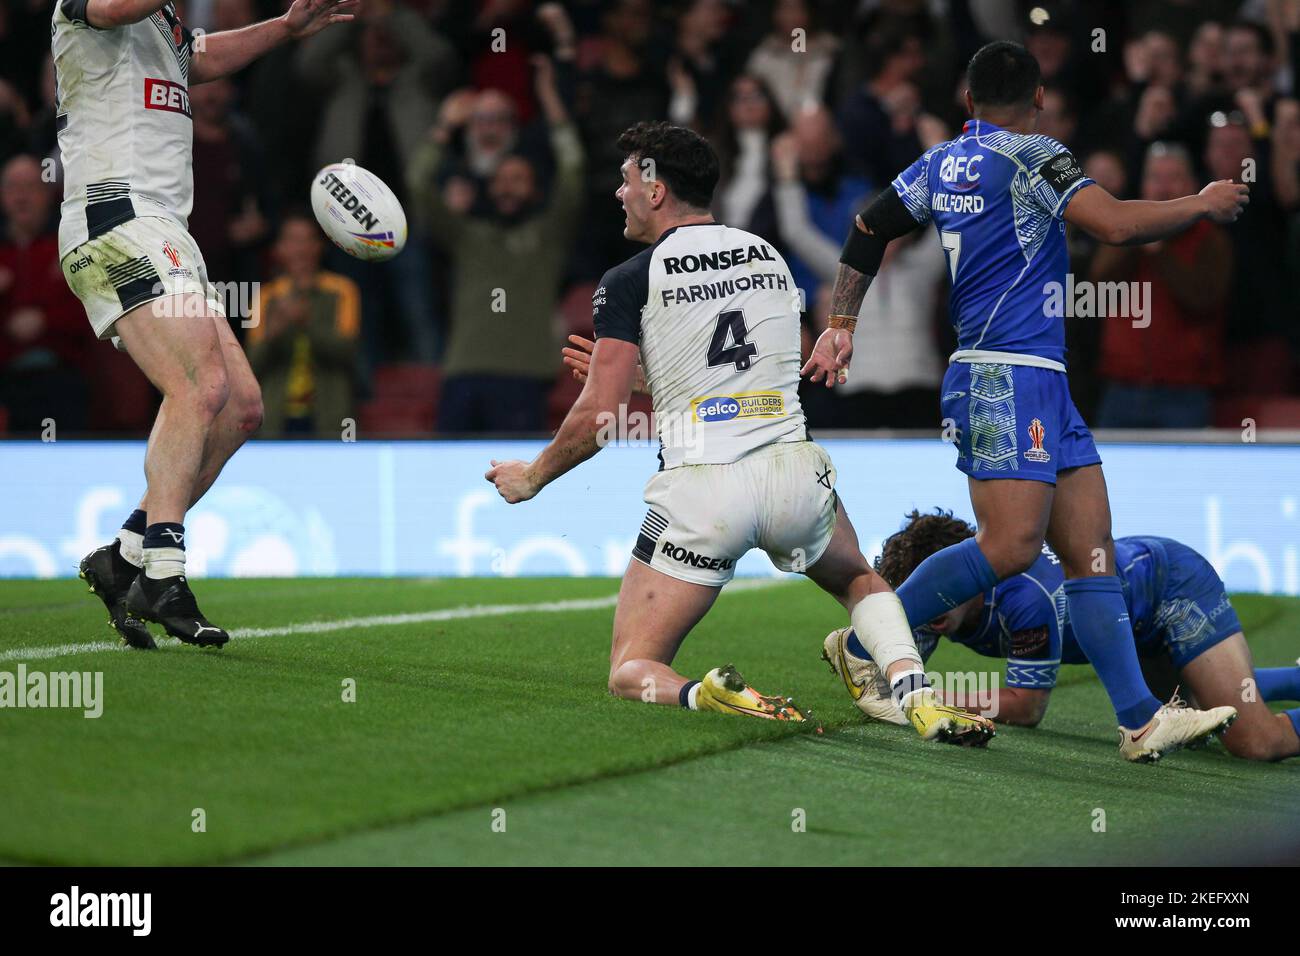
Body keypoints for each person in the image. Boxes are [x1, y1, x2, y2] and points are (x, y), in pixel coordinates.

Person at [487, 120, 993, 745]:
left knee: (630, 670)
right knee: (860, 578)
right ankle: (915, 690)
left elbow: (599, 417)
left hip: (704, 491)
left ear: (654, 189)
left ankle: (710, 694)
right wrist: (656, 381)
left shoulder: (627, 280)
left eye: (625, 181)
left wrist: (533, 476)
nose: (617, 194)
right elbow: (744, 375)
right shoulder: (769, 257)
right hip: (793, 475)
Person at [811, 40, 1249, 761]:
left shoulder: (938, 162)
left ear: (967, 100)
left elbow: (869, 225)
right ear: (1039, 96)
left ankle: (1140, 719)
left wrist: (840, 324)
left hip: (1039, 375)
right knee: (1010, 546)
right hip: (1002, 375)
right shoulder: (1036, 154)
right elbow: (1113, 224)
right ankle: (863, 641)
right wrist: (1199, 202)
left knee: (1090, 554)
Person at [56, 0, 354, 649]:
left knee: (242, 405)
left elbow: (200, 56)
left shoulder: (162, 23)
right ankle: (164, 575)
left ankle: (123, 554)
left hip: (168, 231)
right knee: (199, 386)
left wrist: (286, 27)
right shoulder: (85, 6)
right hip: (117, 217)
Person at [824, 509, 1300, 763]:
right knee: (1204, 703)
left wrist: (935, 698)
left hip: (1172, 590)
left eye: (937, 607)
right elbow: (881, 684)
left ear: (966, 582)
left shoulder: (1027, 598)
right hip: (1131, 622)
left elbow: (1027, 706)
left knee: (1254, 742)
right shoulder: (939, 609)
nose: (931, 625)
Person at [408, 55, 583, 434]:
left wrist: (550, 100)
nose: (507, 186)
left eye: (518, 179)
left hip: (525, 374)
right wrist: (443, 127)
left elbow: (573, 170)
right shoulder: (467, 234)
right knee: (448, 481)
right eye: (501, 179)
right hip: (462, 370)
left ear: (535, 189)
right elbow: (419, 185)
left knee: (516, 483)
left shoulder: (549, 232)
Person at [245, 213, 360, 437]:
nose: (300, 249)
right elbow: (251, 367)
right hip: (276, 418)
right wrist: (273, 333)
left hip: (331, 417)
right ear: (279, 249)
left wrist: (306, 322)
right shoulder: (265, 297)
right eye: (292, 241)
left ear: (319, 246)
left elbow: (348, 354)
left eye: (307, 240)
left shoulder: (343, 291)